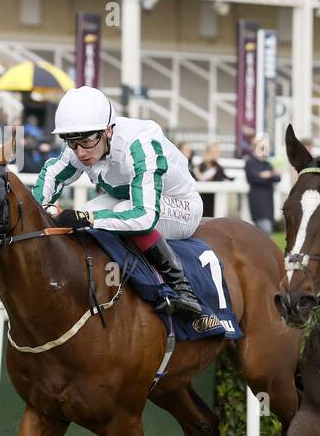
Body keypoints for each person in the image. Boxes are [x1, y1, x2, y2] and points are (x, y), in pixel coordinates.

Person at [32, 85, 207, 318]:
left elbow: (143, 216)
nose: (80, 152)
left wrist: (87, 219)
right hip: (129, 198)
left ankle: (182, 289)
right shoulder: (84, 142)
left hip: (179, 205)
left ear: (107, 131)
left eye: (84, 142)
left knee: (111, 214)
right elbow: (52, 173)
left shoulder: (140, 144)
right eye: (71, 142)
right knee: (91, 209)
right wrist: (35, 212)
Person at [244, 134, 280, 234]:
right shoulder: (250, 162)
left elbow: (277, 178)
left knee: (266, 231)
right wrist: (268, 176)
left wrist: (268, 175)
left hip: (268, 201)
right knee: (265, 228)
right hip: (257, 200)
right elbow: (255, 179)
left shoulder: (268, 164)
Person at [193, 141, 230, 219]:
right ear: (208, 152)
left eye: (217, 152)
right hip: (203, 200)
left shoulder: (218, 166)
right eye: (214, 151)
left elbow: (224, 177)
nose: (217, 154)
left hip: (215, 201)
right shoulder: (201, 166)